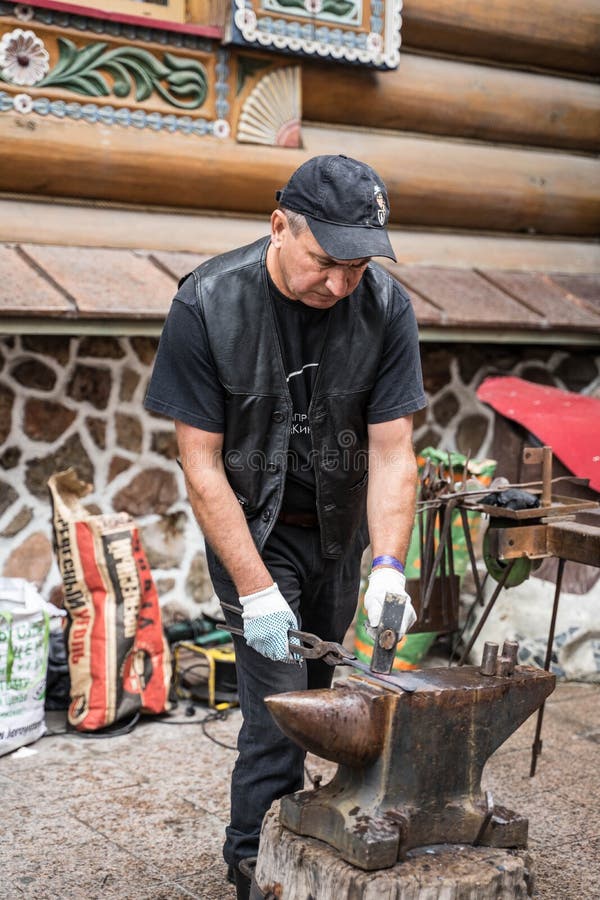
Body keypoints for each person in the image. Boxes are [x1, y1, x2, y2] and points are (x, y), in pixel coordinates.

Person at [145, 154, 427, 899]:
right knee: (278, 714)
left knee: (326, 699)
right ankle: (253, 866)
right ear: (279, 226)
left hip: (337, 534)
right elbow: (201, 465)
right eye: (325, 262)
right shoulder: (208, 300)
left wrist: (390, 569)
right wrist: (257, 588)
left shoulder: (387, 310)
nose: (340, 284)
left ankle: (306, 843)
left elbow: (394, 454)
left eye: (358, 267)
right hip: (253, 530)